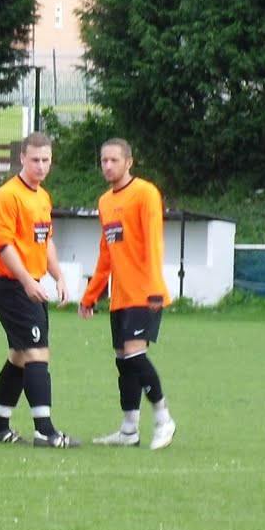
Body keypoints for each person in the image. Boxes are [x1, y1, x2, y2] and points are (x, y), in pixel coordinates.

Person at [78, 138, 177, 449]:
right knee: (124, 361)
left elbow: (153, 243)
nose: (108, 166)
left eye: (114, 160)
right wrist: (91, 294)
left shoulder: (145, 194)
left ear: (129, 163)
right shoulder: (105, 201)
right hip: (120, 297)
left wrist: (154, 290)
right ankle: (128, 430)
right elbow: (106, 253)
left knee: (135, 357)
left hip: (144, 294)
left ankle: (163, 419)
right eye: (104, 160)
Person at [0, 131, 79, 447]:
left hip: (31, 285)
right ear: (22, 158)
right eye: (35, 159)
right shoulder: (7, 196)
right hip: (13, 286)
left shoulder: (42, 197)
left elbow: (45, 239)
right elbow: (3, 245)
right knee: (37, 354)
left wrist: (59, 277)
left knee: (20, 356)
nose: (40, 166)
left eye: (46, 160)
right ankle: (45, 430)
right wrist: (27, 281)